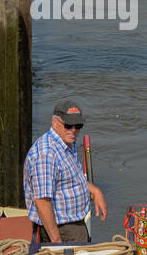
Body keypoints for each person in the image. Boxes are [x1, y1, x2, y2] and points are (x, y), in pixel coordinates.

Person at [24, 99, 107, 244]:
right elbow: (42, 201)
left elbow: (71, 177)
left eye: (78, 125)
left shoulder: (66, 142)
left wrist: (95, 190)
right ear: (55, 123)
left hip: (73, 224)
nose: (74, 130)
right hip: (63, 230)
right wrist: (56, 241)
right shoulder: (46, 155)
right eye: (68, 125)